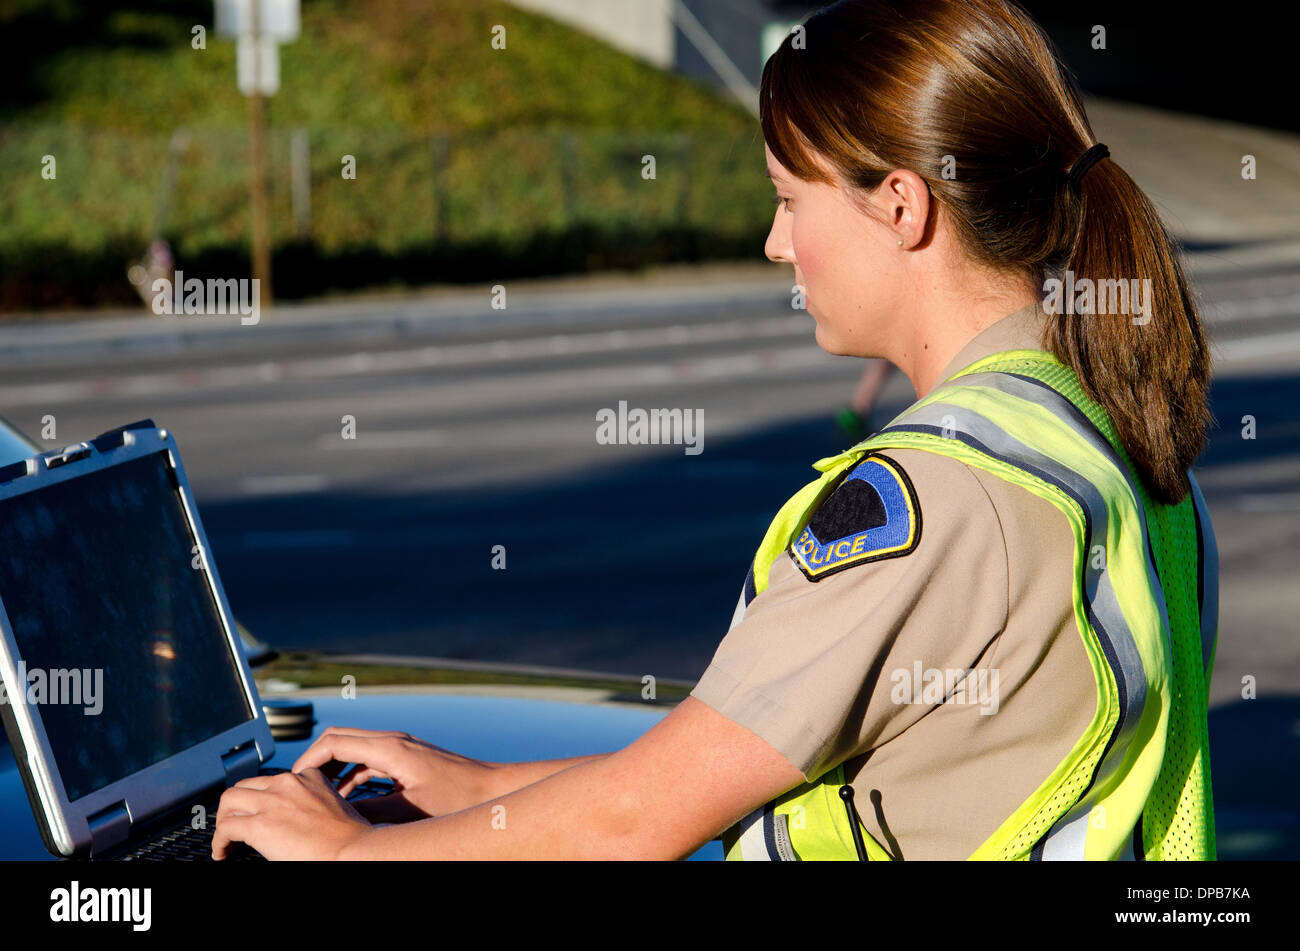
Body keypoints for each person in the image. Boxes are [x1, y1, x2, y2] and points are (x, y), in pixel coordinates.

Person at [212, 0, 1217, 861]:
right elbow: (760, 758)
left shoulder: (941, 498)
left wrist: (352, 849)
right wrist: (486, 788)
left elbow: (637, 827)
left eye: (789, 199)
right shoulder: (1113, 441)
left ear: (902, 207)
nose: (775, 241)